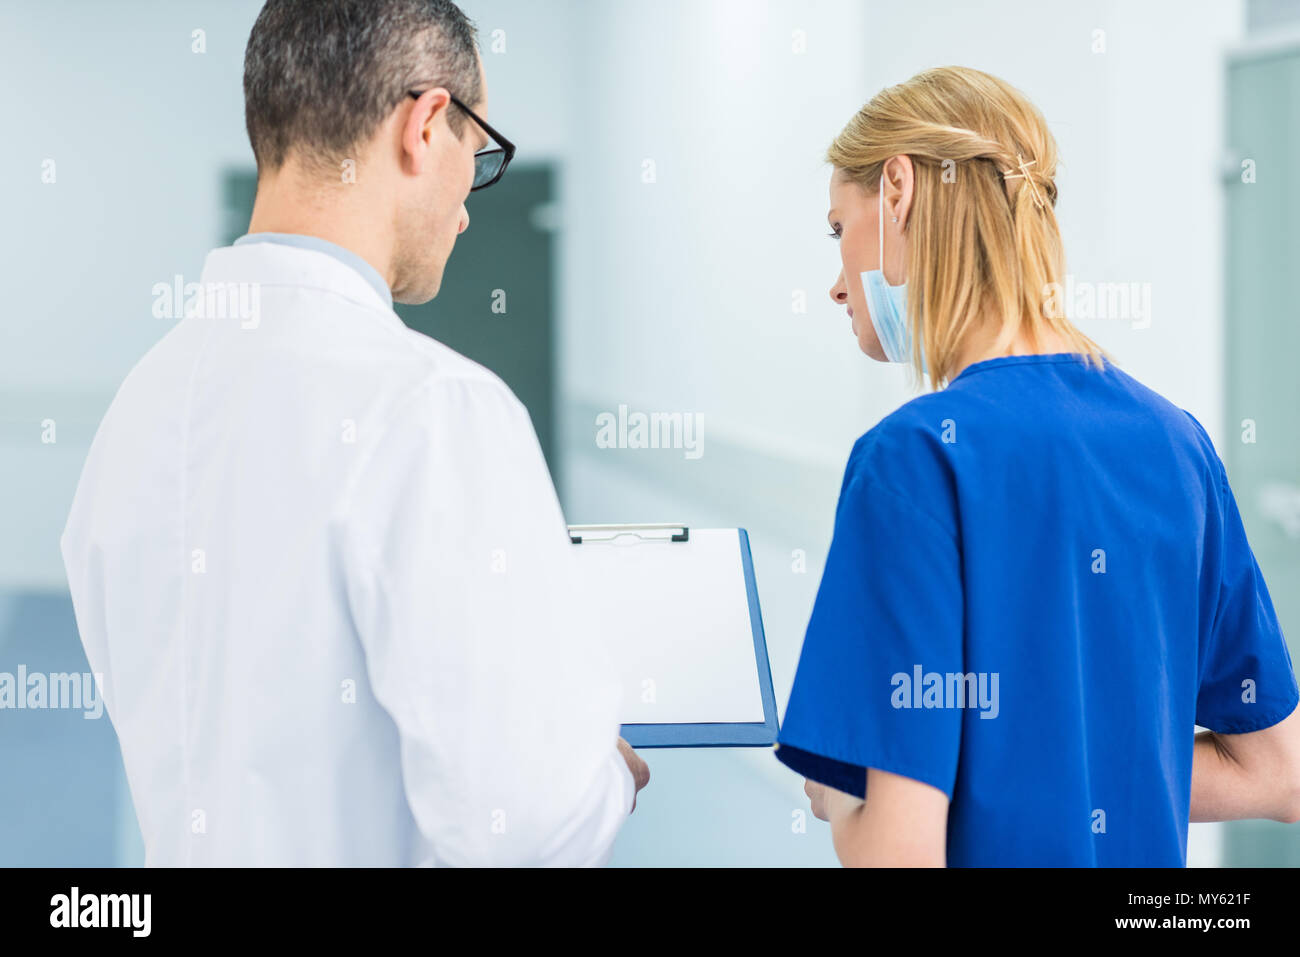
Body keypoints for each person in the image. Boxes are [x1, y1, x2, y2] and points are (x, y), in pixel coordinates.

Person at [60, 0, 647, 866]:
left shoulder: (138, 410)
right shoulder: (437, 408)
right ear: (425, 123)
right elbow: (527, 828)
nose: (467, 208)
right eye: (477, 161)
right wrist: (602, 776)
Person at [774, 66, 1300, 866]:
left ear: (898, 189)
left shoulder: (913, 460)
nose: (836, 284)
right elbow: (1278, 771)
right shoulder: (1176, 444)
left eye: (838, 229)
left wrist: (848, 791)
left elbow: (897, 855)